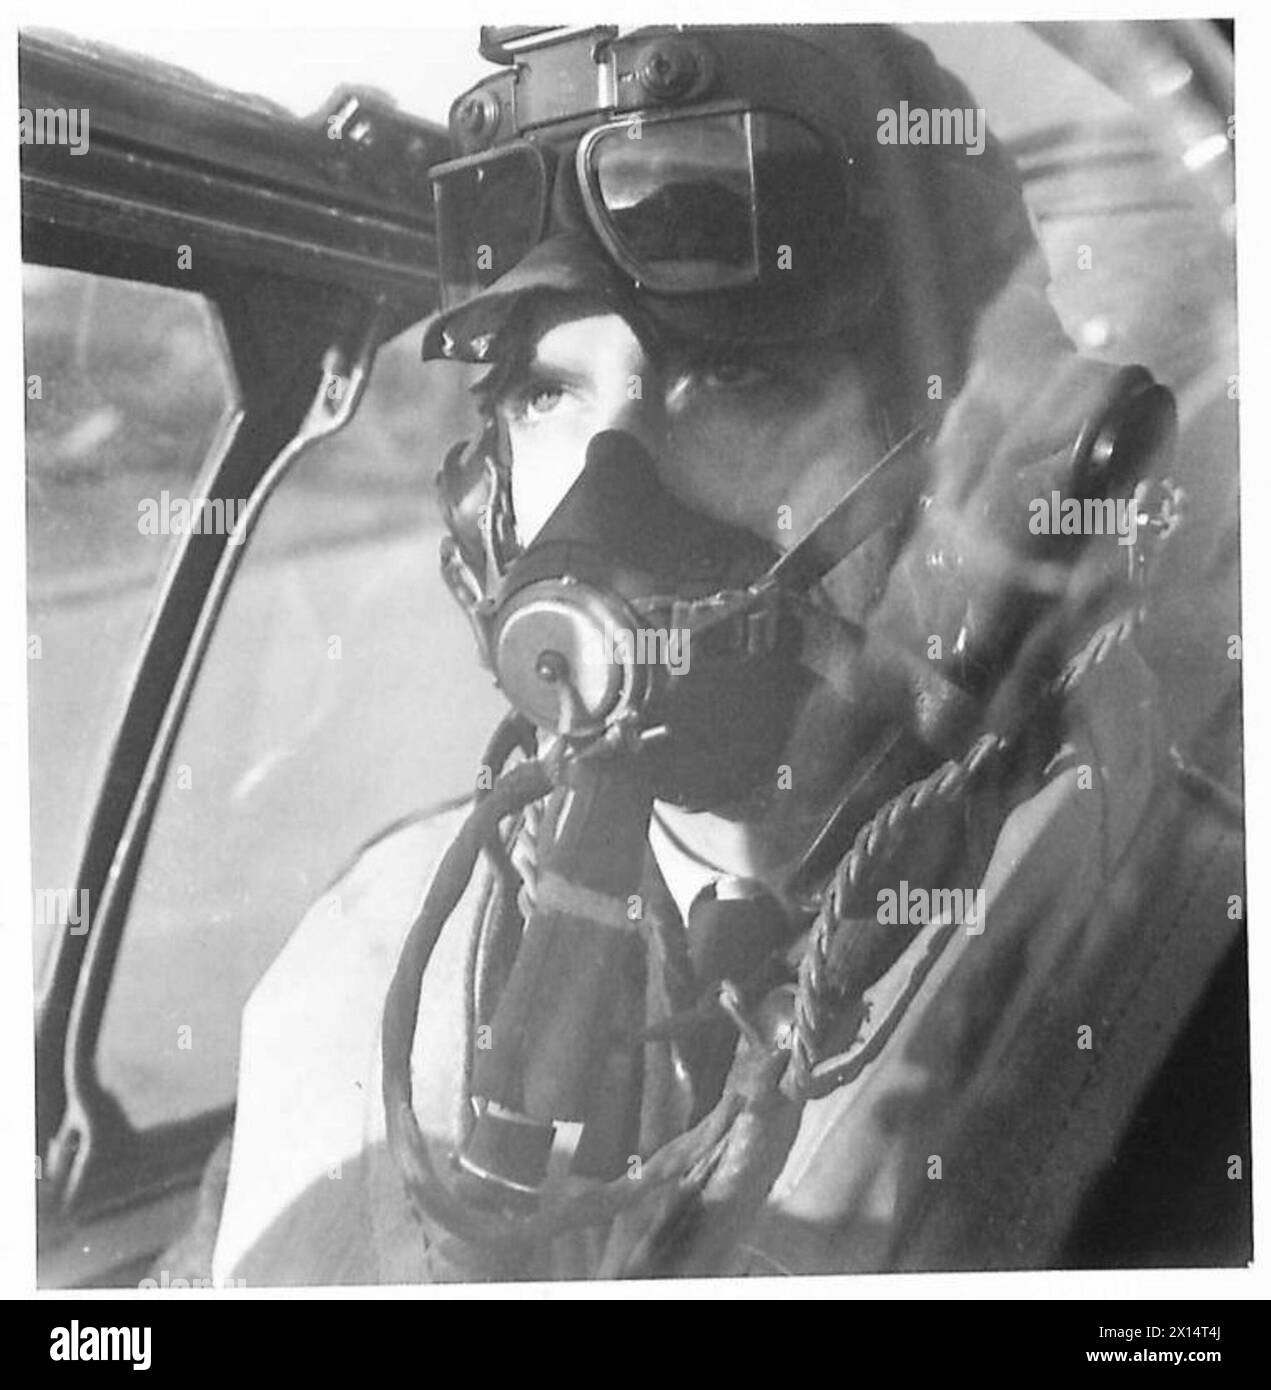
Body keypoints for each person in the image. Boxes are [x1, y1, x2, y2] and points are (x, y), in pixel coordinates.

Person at [174, 22, 1244, 1284]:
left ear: (982, 474)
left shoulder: (1180, 964)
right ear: (484, 507)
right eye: (548, 396)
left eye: (736, 378)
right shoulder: (377, 954)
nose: (603, 492)